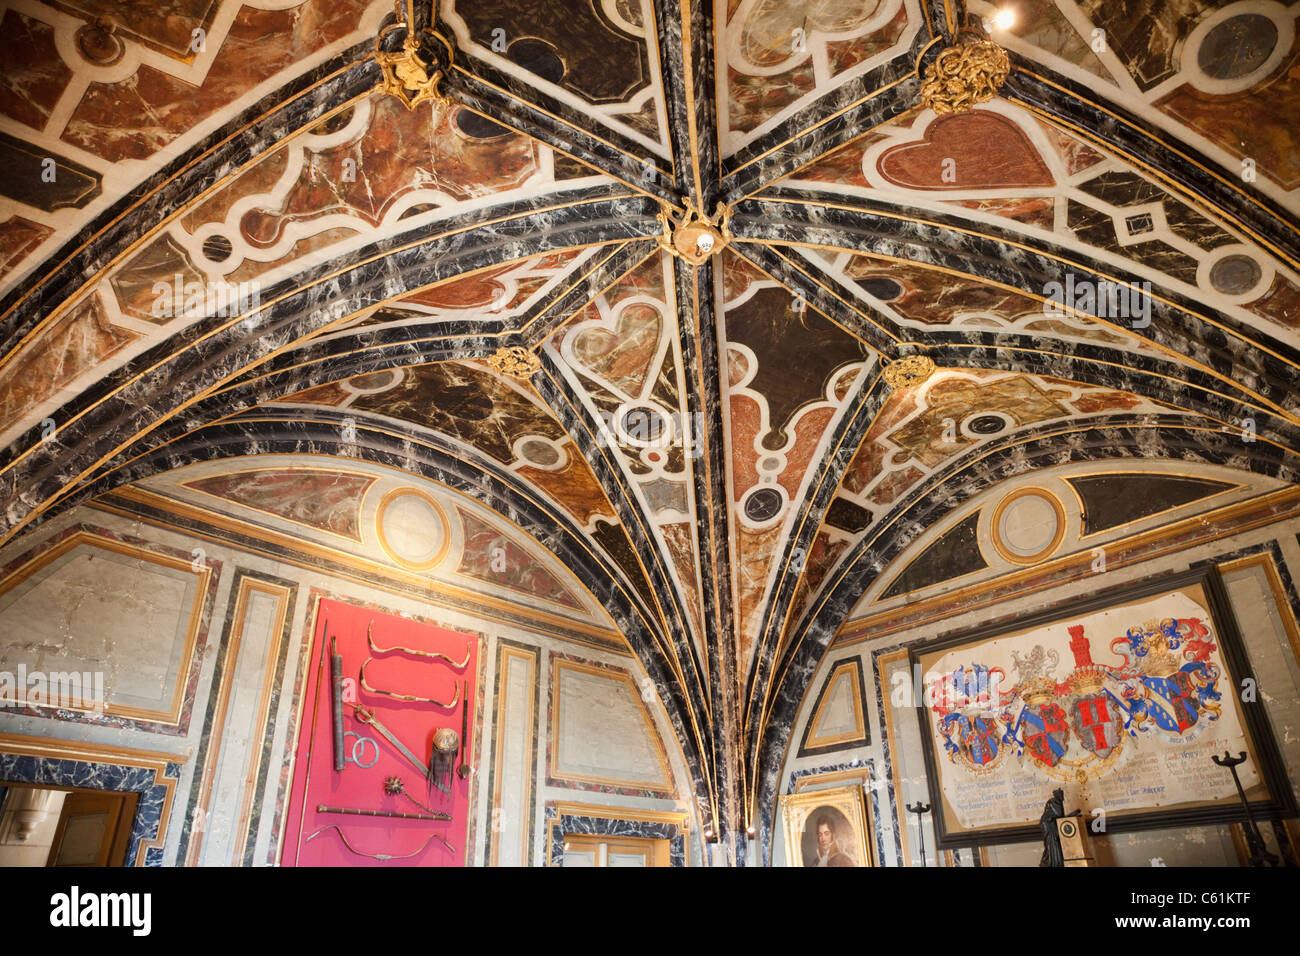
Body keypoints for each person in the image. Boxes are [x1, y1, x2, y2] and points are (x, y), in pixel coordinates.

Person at [1039, 788, 1065, 867]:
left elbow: (1060, 816)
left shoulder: (1055, 801)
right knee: (1051, 842)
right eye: (1060, 794)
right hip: (1048, 824)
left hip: (1050, 823)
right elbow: (1059, 813)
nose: (1062, 796)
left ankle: (1054, 861)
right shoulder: (1054, 801)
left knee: (1053, 843)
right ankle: (1052, 862)